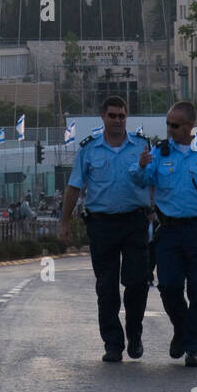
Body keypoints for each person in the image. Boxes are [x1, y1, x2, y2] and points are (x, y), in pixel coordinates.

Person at [130, 100, 197, 369]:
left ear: (190, 127)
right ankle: (182, 328)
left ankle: (194, 348)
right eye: (168, 124)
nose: (170, 129)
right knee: (169, 286)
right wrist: (141, 166)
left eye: (175, 125)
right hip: (169, 232)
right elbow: (141, 180)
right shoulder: (160, 152)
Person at [59, 95, 150, 362]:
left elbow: (155, 180)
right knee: (106, 287)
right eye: (112, 115)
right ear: (103, 117)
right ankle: (113, 343)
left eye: (121, 116)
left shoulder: (142, 147)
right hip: (102, 225)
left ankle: (134, 335)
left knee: (137, 282)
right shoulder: (89, 150)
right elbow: (74, 187)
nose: (117, 120)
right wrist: (64, 221)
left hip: (135, 222)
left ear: (127, 117)